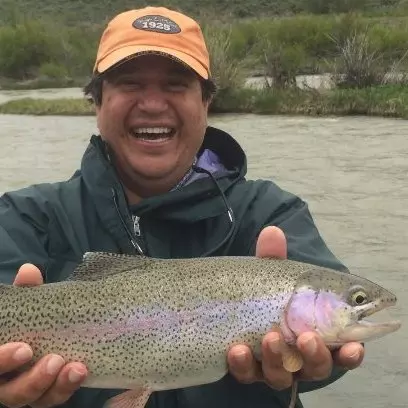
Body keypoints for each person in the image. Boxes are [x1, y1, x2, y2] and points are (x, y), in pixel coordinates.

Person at [0, 6, 364, 408]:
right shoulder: (23, 218)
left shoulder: (271, 214)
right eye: (129, 84)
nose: (153, 104)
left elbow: (330, 355)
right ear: (97, 104)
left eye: (176, 85)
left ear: (206, 103)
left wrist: (319, 365)